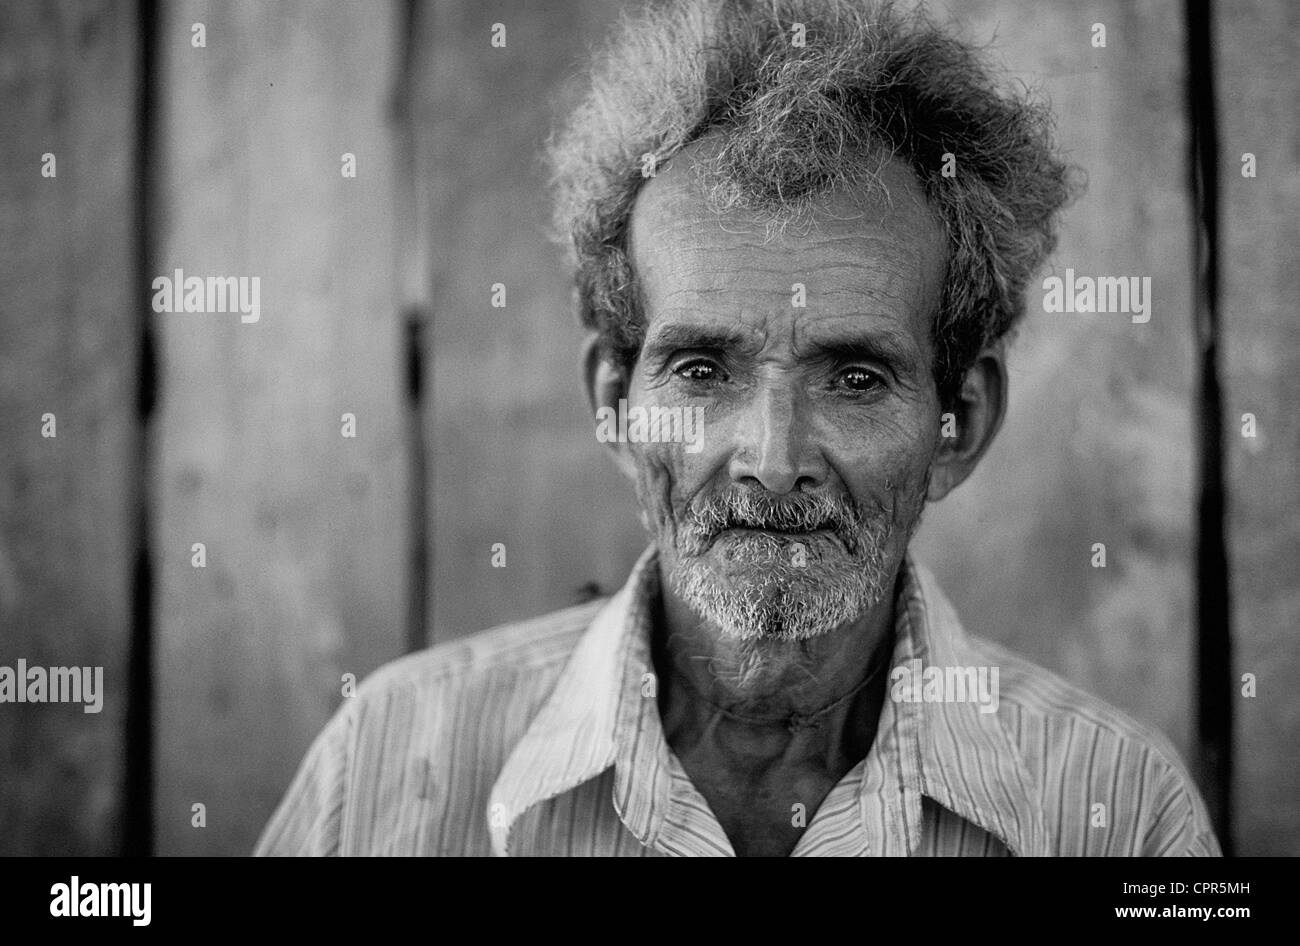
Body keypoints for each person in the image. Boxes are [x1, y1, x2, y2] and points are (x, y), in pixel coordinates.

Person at [256, 0, 1220, 857]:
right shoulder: (383, 767)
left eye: (853, 376)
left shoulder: (1118, 810)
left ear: (958, 423)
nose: (771, 460)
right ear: (615, 400)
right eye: (704, 370)